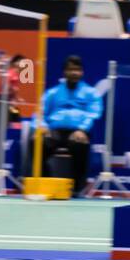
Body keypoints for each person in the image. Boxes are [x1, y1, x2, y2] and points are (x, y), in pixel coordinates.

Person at [39, 55, 102, 195]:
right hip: (54, 131)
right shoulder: (52, 93)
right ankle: (46, 182)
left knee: (79, 144)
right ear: (64, 72)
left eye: (77, 70)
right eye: (70, 69)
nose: (74, 73)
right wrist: (43, 127)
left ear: (82, 72)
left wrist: (82, 129)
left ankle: (76, 187)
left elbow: (94, 113)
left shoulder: (90, 93)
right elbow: (40, 112)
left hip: (78, 131)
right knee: (37, 142)